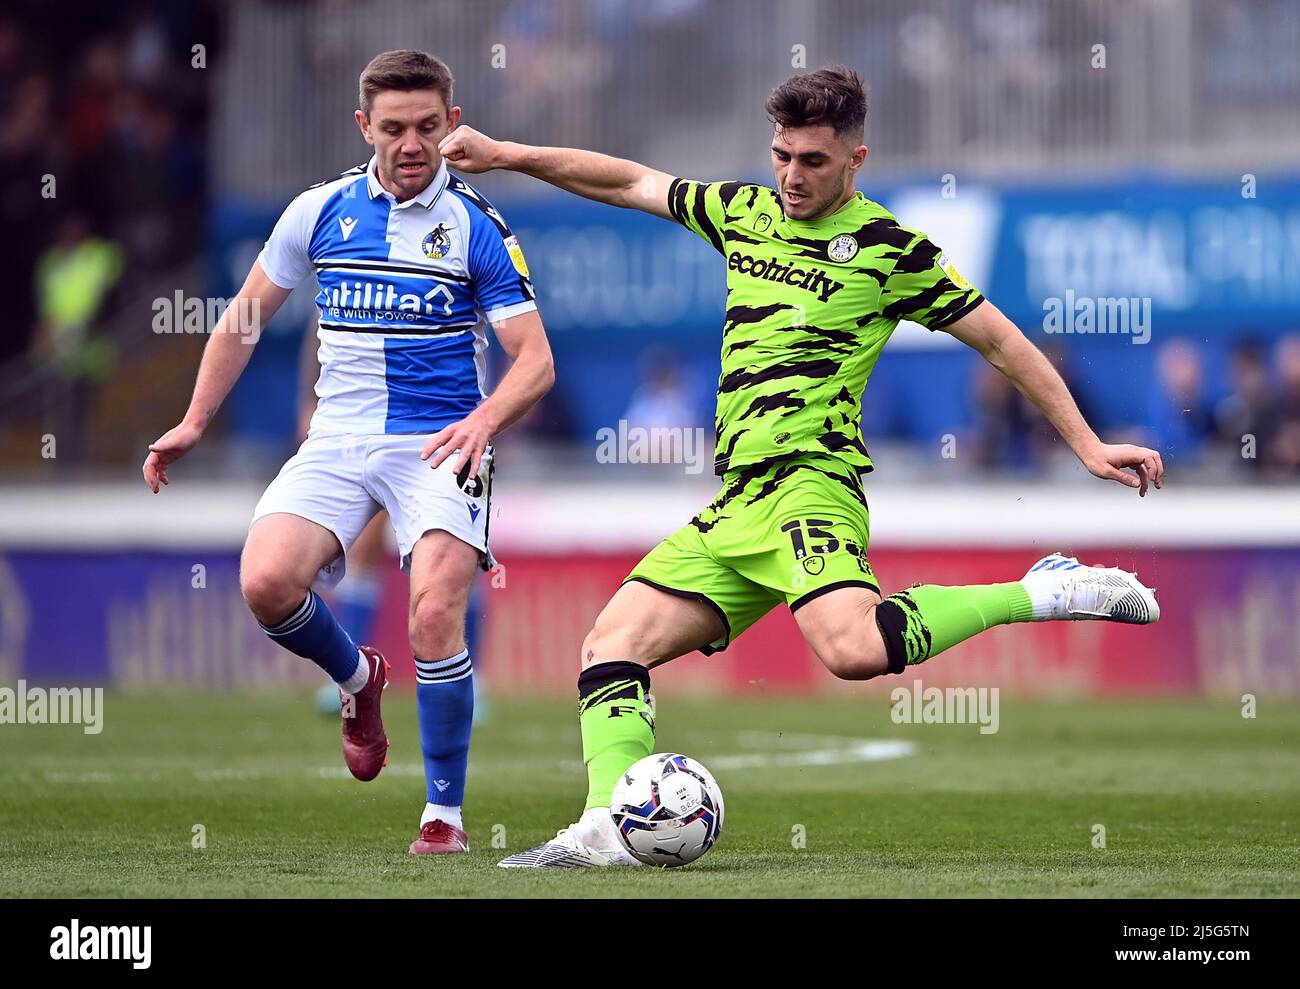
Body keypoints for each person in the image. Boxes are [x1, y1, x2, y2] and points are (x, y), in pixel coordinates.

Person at [439, 65, 1164, 869]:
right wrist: (506, 152)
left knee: (852, 651)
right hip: (737, 502)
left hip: (810, 486)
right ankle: (606, 824)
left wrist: (1087, 443)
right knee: (611, 645)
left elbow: (1000, 339)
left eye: (812, 161)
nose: (790, 174)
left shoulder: (892, 249)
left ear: (855, 160)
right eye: (781, 154)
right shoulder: (745, 212)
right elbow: (631, 180)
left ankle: (1044, 588)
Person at [142, 50, 555, 856]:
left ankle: (445, 815)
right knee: (265, 582)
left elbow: (535, 359)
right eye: (394, 128)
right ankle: (360, 679)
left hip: (438, 442)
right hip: (337, 439)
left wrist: (485, 420)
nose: (411, 143)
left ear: (453, 124)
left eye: (428, 127)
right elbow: (242, 320)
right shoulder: (318, 210)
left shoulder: (475, 224)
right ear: (364, 126)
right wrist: (193, 421)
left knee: (435, 610)